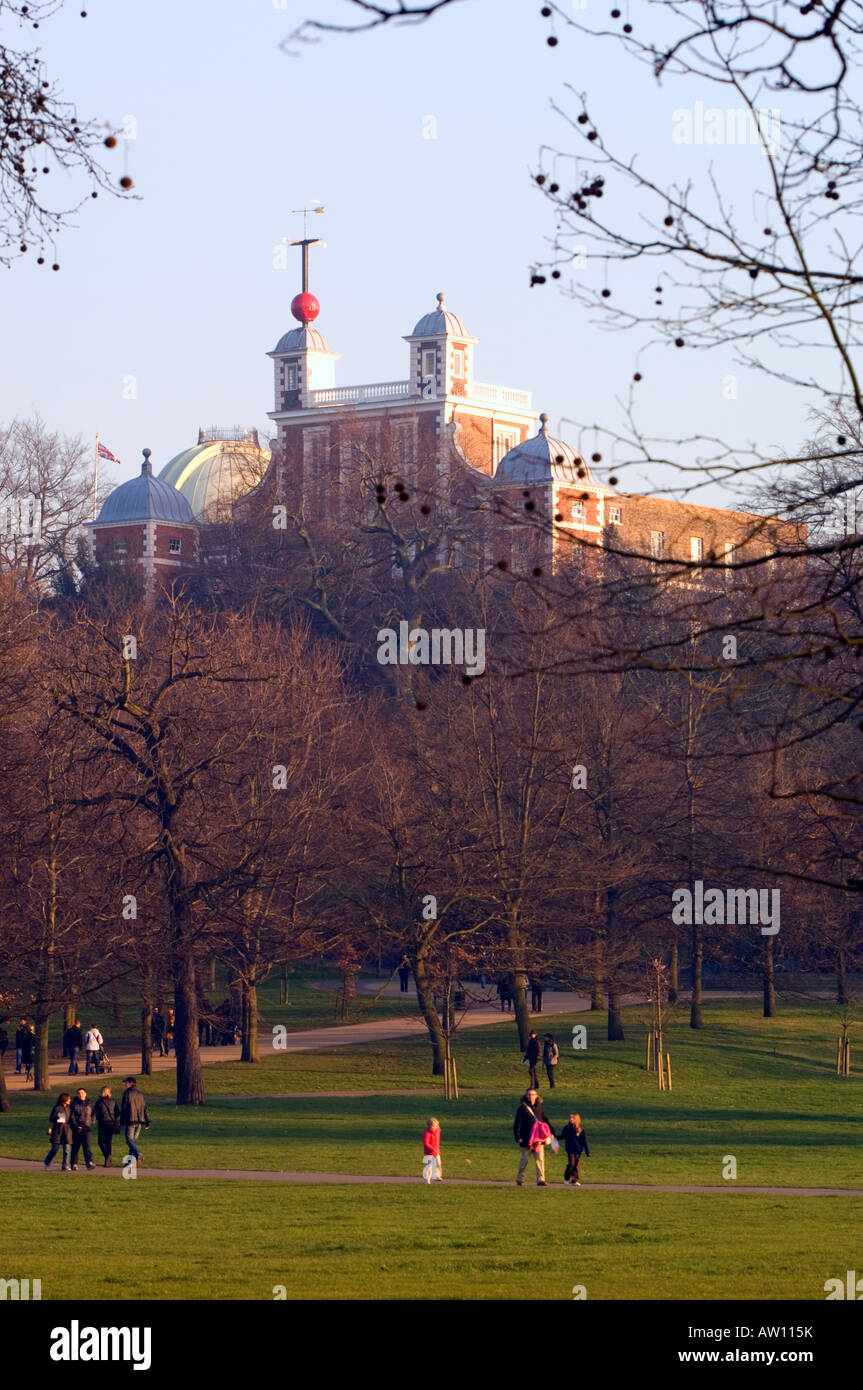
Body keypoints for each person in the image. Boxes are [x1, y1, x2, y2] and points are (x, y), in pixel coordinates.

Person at [513, 1088, 555, 1187]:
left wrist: (552, 1132)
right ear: (526, 1096)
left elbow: (545, 1120)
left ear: (537, 1096)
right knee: (524, 1160)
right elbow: (517, 1124)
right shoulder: (522, 1108)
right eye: (529, 1095)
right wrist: (518, 1137)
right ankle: (520, 1179)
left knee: (540, 1160)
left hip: (538, 1139)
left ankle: (541, 1179)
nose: (531, 1097)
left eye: (533, 1095)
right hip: (526, 1139)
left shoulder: (540, 1107)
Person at [120, 1076, 150, 1166]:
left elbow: (124, 1108)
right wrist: (147, 1121)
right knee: (133, 1142)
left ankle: (138, 1154)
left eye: (126, 1082)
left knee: (129, 1140)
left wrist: (121, 1121)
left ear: (131, 1083)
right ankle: (129, 1162)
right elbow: (145, 1108)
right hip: (139, 1121)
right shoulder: (140, 1094)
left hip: (130, 1120)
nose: (125, 1084)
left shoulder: (127, 1093)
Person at [560, 1112, 590, 1186]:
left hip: (578, 1150)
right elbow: (562, 1136)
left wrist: (587, 1151)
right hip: (570, 1149)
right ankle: (566, 1178)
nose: (571, 1119)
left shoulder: (581, 1129)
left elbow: (584, 1141)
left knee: (576, 1165)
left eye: (573, 1118)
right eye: (570, 1118)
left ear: (576, 1119)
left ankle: (575, 1180)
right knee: (571, 1164)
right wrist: (554, 1137)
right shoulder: (567, 1128)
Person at [44, 1091, 73, 1171]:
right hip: (58, 1130)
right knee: (55, 1148)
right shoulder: (57, 1108)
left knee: (67, 1148)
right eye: (69, 1099)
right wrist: (56, 1118)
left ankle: (65, 1166)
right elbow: (51, 1119)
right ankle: (47, 1162)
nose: (70, 1100)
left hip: (67, 1130)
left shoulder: (69, 1108)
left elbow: (71, 1119)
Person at [69, 1087, 95, 1170]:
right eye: (79, 1093)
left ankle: (89, 1163)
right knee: (75, 1147)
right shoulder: (74, 1103)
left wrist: (91, 1122)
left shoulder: (89, 1103)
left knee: (87, 1146)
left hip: (86, 1127)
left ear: (85, 1093)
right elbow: (72, 1116)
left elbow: (93, 1114)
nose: (81, 1094)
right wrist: (76, 1126)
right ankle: (74, 1163)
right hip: (77, 1128)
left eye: (82, 1093)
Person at [94, 1085, 120, 1167]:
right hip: (112, 1123)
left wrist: (98, 1118)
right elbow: (118, 1112)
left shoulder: (99, 1102)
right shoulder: (113, 1101)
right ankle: (108, 1159)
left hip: (103, 1123)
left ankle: (107, 1156)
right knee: (108, 1141)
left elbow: (96, 1113)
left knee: (101, 1141)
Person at [422, 1116, 442, 1183]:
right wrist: (432, 1149)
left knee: (438, 1164)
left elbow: (437, 1142)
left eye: (435, 1126)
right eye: (432, 1126)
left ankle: (436, 1176)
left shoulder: (437, 1132)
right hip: (428, 1153)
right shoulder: (427, 1134)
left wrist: (437, 1149)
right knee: (428, 1167)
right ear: (428, 1126)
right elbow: (426, 1143)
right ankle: (427, 1179)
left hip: (436, 1152)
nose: (434, 1127)